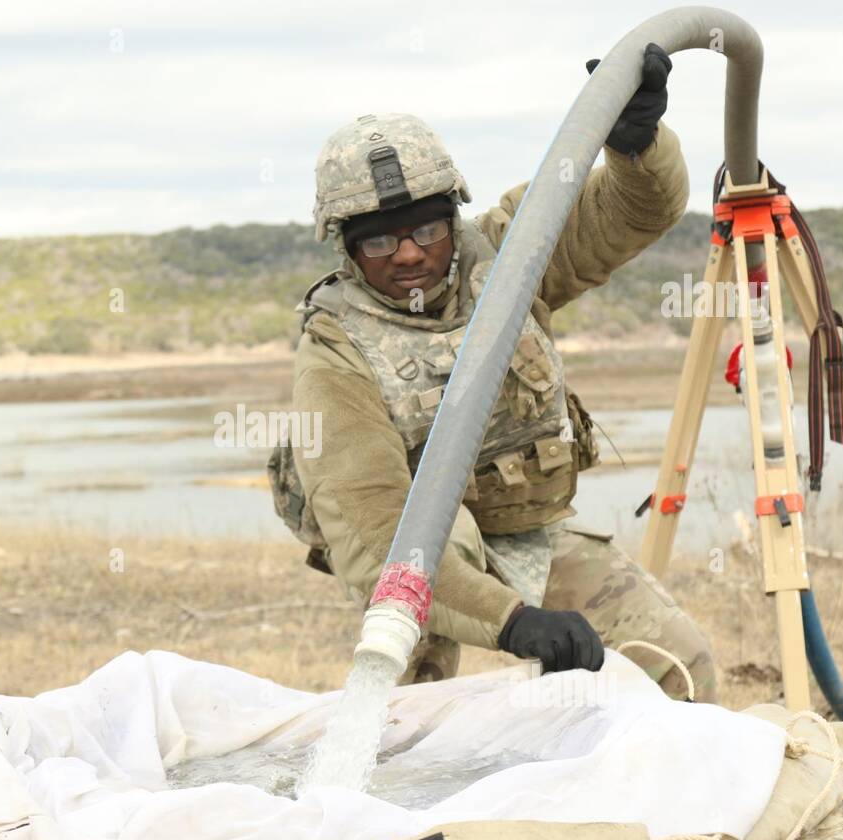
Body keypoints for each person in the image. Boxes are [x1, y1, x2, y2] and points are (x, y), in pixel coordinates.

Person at [267, 44, 718, 702]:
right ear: (347, 247)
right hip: (417, 548)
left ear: (453, 213)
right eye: (381, 241)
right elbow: (373, 532)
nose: (410, 255)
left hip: (530, 527)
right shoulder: (336, 350)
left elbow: (634, 211)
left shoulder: (510, 252)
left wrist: (637, 144)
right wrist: (515, 624)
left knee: (677, 667)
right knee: (406, 709)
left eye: (426, 230)